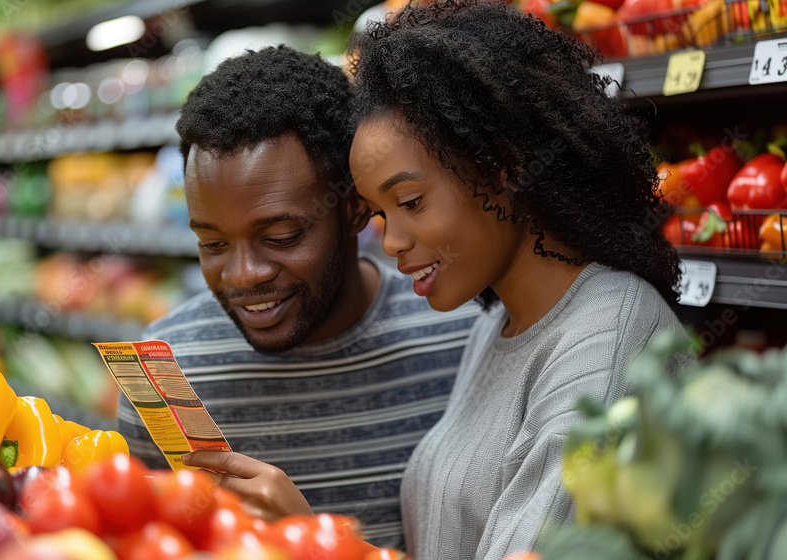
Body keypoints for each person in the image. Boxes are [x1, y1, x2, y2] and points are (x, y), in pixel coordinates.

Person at [186, 3, 692, 559]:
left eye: (410, 201)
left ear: (502, 170)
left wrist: (322, 545)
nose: (390, 239)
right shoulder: (497, 324)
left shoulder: (607, 344)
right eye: (379, 211)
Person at [116, 45, 480, 548]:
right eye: (213, 244)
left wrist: (307, 542)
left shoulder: (462, 339)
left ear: (355, 209)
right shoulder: (165, 373)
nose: (243, 275)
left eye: (282, 237)